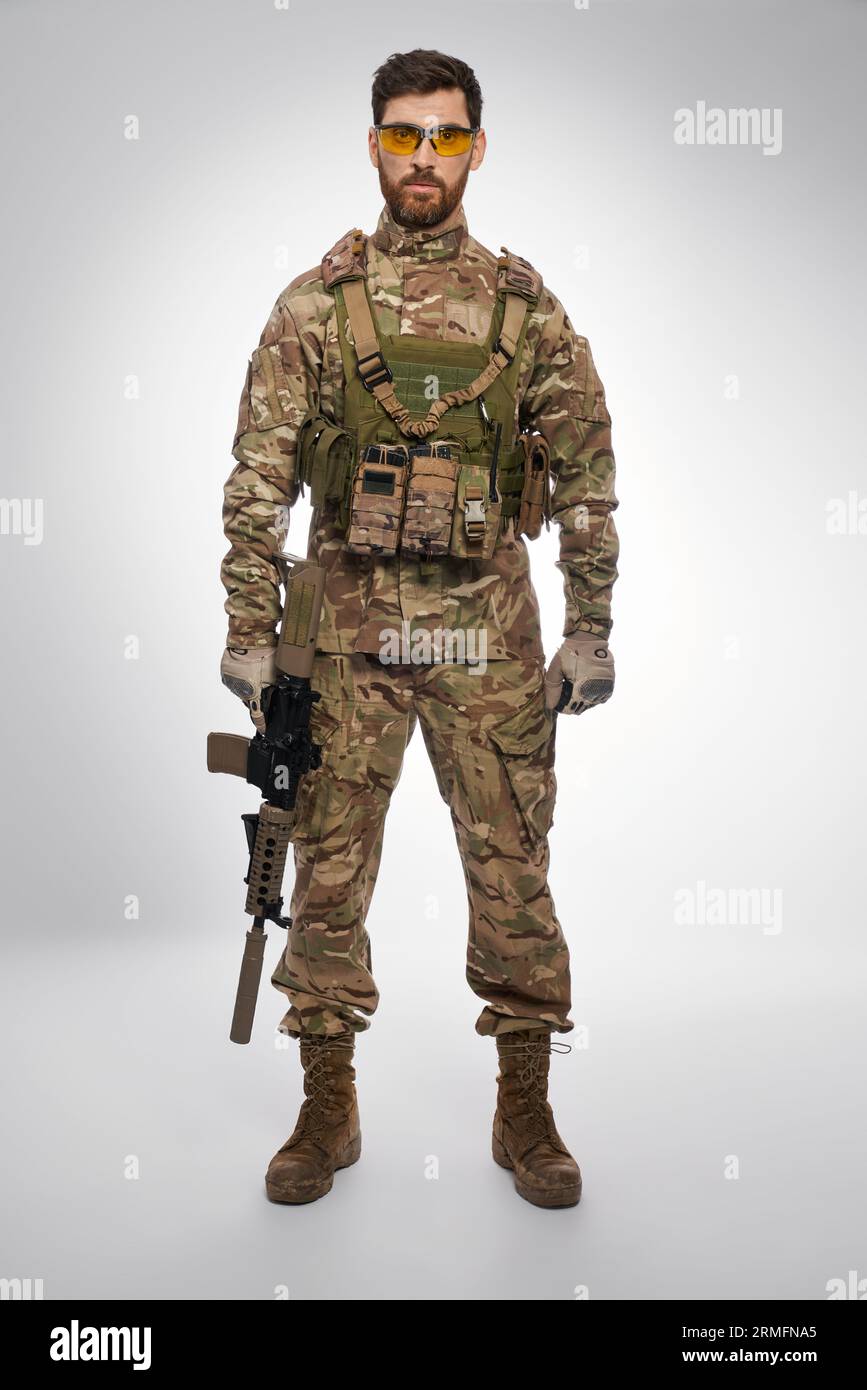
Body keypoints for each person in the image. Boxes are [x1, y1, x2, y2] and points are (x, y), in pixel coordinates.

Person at [219, 49, 619, 1209]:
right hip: (344, 634)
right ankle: (327, 1101)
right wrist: (250, 629)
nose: (425, 157)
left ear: (478, 149)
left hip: (487, 632)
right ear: (375, 146)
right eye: (404, 135)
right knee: (327, 869)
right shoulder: (313, 306)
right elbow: (259, 479)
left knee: (512, 870)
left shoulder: (528, 311)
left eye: (447, 136)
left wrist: (589, 630)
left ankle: (525, 1102)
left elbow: (588, 476)